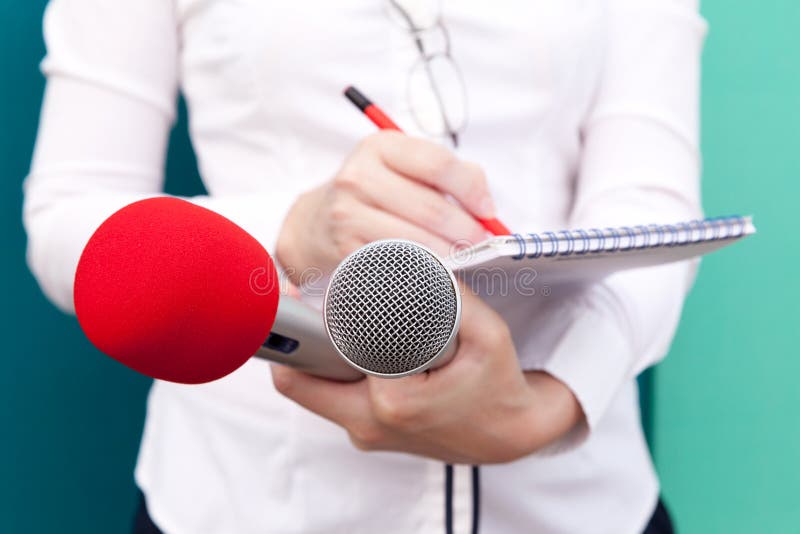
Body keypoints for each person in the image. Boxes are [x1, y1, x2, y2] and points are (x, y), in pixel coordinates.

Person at [23, 0, 706, 532]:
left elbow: (650, 201)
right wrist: (291, 229)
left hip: (578, 506)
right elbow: (68, 216)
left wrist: (554, 400)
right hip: (252, 501)